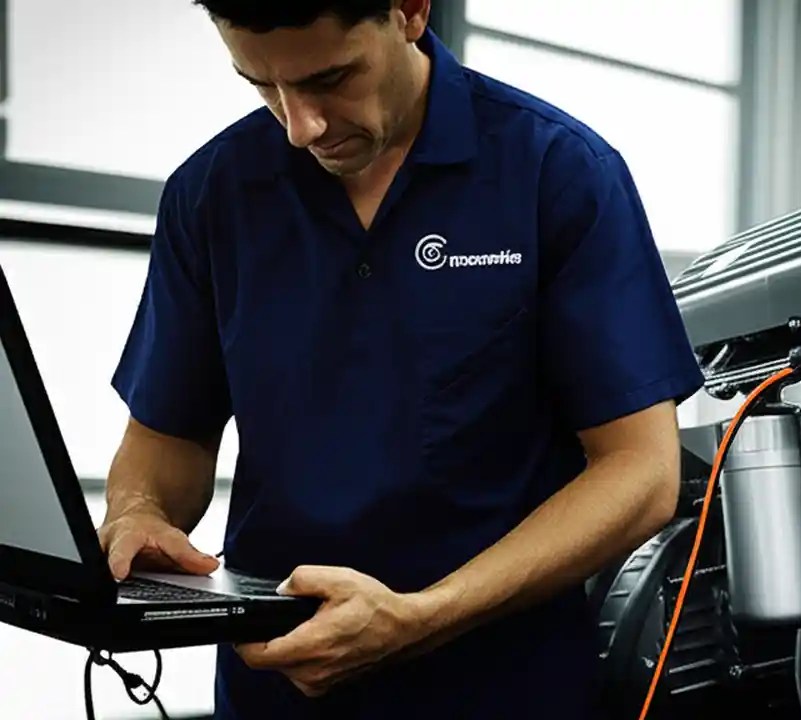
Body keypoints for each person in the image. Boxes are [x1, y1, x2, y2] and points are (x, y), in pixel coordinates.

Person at [95, 0, 705, 717]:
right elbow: (165, 439)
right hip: (278, 691)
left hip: (505, 687)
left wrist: (424, 615)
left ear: (410, 10)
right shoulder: (210, 195)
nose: (301, 127)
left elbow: (641, 470)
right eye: (261, 86)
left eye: (331, 78)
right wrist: (138, 513)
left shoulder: (558, 172)